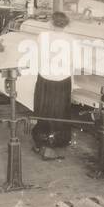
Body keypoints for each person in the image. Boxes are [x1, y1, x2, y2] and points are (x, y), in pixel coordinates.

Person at [31, 11, 74, 158]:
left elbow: (38, 54)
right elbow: (74, 60)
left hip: (46, 77)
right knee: (61, 109)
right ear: (66, 24)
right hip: (63, 78)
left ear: (50, 22)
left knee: (45, 108)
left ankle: (42, 140)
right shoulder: (71, 39)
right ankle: (59, 140)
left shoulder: (42, 36)